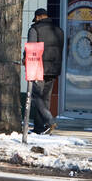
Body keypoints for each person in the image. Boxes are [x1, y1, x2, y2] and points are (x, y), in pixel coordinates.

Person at [26, 7, 65, 135]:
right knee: (45, 98)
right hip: (54, 69)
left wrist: (25, 59)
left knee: (36, 96)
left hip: (39, 67)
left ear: (38, 17)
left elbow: (31, 49)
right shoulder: (59, 31)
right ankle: (39, 128)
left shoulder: (35, 29)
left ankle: (49, 120)